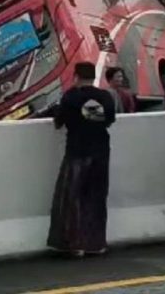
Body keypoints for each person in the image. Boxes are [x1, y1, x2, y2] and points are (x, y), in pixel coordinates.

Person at [48, 62, 116, 257]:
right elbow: (109, 120)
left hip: (77, 151)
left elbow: (58, 122)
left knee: (72, 198)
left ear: (75, 76)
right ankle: (95, 243)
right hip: (101, 151)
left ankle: (73, 244)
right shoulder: (104, 96)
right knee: (96, 197)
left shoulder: (70, 96)